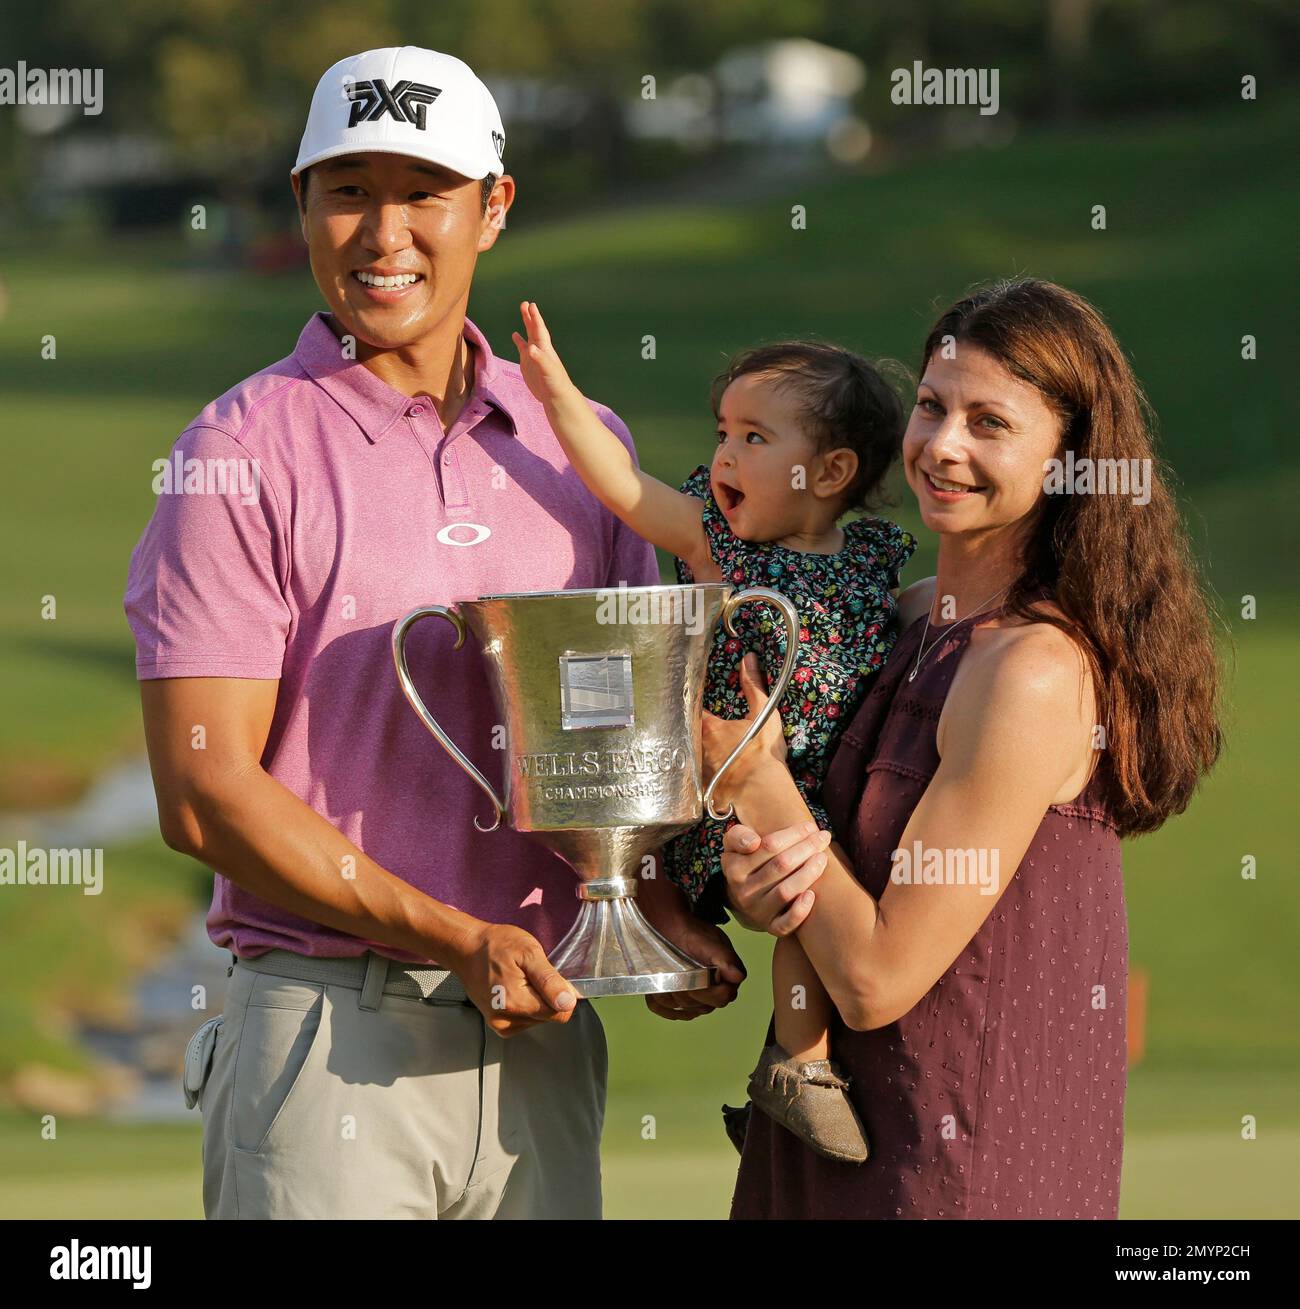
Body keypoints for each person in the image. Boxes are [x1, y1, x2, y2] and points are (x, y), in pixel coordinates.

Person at [124, 46, 743, 1221]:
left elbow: (613, 749)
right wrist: (451, 934)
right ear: (302, 204)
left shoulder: (580, 443)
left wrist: (650, 904)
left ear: (492, 208)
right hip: (323, 1037)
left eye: (424, 192)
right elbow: (203, 792)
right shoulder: (234, 454)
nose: (383, 232)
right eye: (348, 190)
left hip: (542, 1038)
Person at [709, 278, 1222, 1217]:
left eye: (990, 422)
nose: (943, 445)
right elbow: (836, 892)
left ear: (1068, 461)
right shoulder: (900, 622)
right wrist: (764, 881)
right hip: (831, 1145)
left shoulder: (1032, 669)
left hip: (957, 1173)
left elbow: (874, 979)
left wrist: (756, 780)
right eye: (934, 406)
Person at [512, 301, 915, 1162]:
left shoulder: (869, 558)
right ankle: (799, 1063)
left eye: (756, 439)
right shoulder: (715, 542)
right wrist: (558, 397)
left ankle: (799, 1071)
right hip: (739, 795)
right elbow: (622, 487)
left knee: (837, 886)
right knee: (805, 890)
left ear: (832, 469)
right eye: (723, 431)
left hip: (836, 782)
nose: (725, 455)